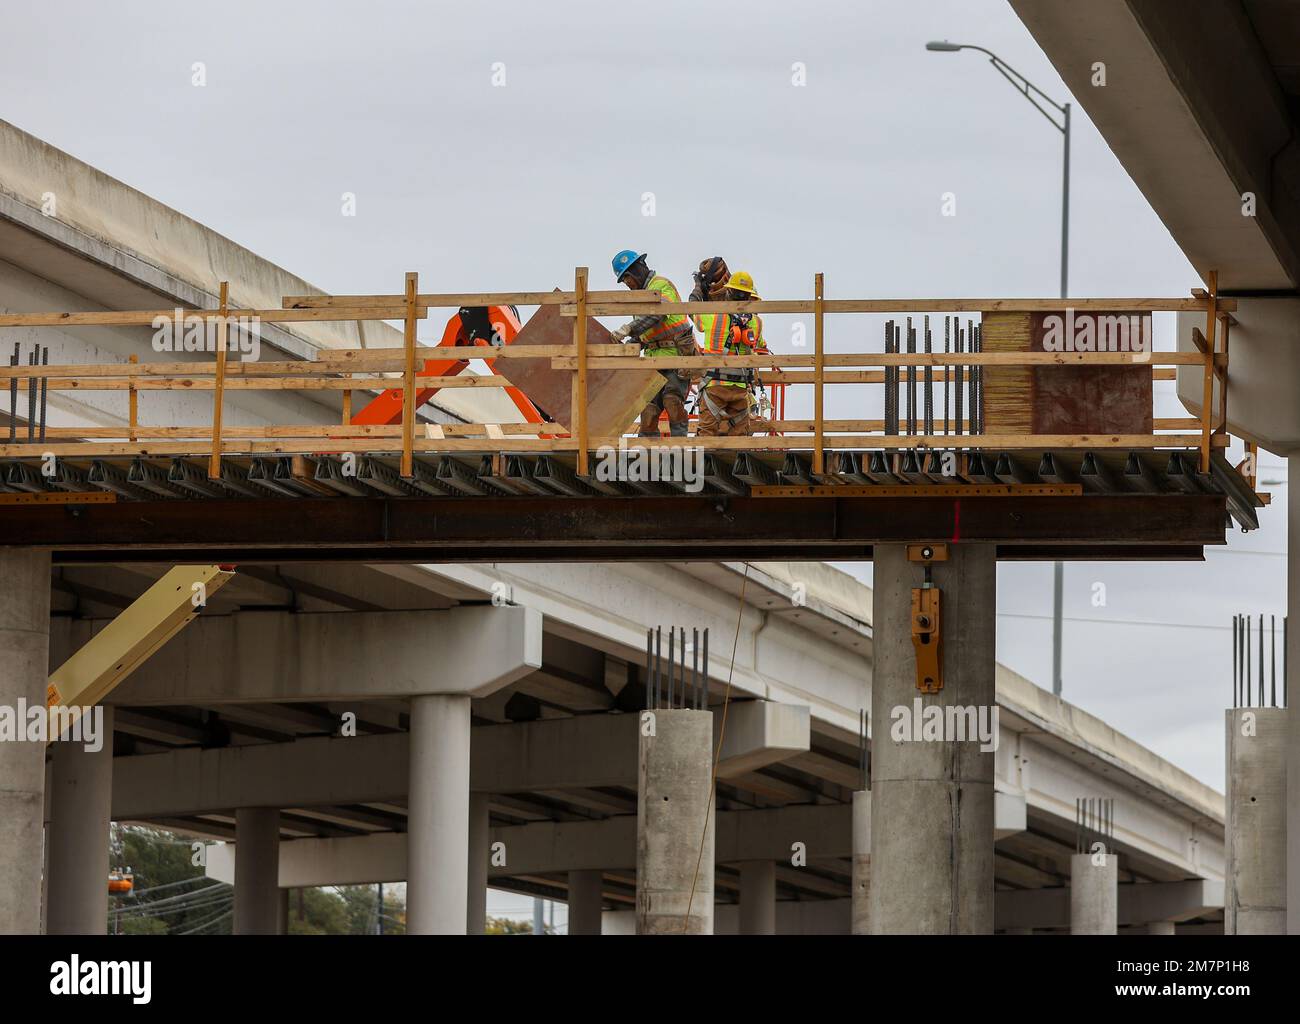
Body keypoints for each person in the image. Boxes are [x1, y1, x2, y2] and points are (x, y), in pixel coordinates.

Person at [609, 250, 697, 437]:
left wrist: (627, 329)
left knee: (672, 401)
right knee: (648, 409)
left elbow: (657, 314)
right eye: (624, 280)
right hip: (652, 360)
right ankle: (647, 454)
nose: (627, 283)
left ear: (639, 269)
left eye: (627, 277)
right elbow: (645, 333)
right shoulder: (640, 298)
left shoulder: (661, 285)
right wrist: (628, 345)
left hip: (676, 356)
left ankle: (679, 448)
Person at [695, 270, 769, 436]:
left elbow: (693, 313)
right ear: (749, 297)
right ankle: (737, 460)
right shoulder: (756, 322)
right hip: (741, 388)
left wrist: (699, 288)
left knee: (707, 432)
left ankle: (704, 461)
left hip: (715, 385)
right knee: (739, 434)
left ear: (728, 292)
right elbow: (760, 346)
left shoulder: (713, 316)